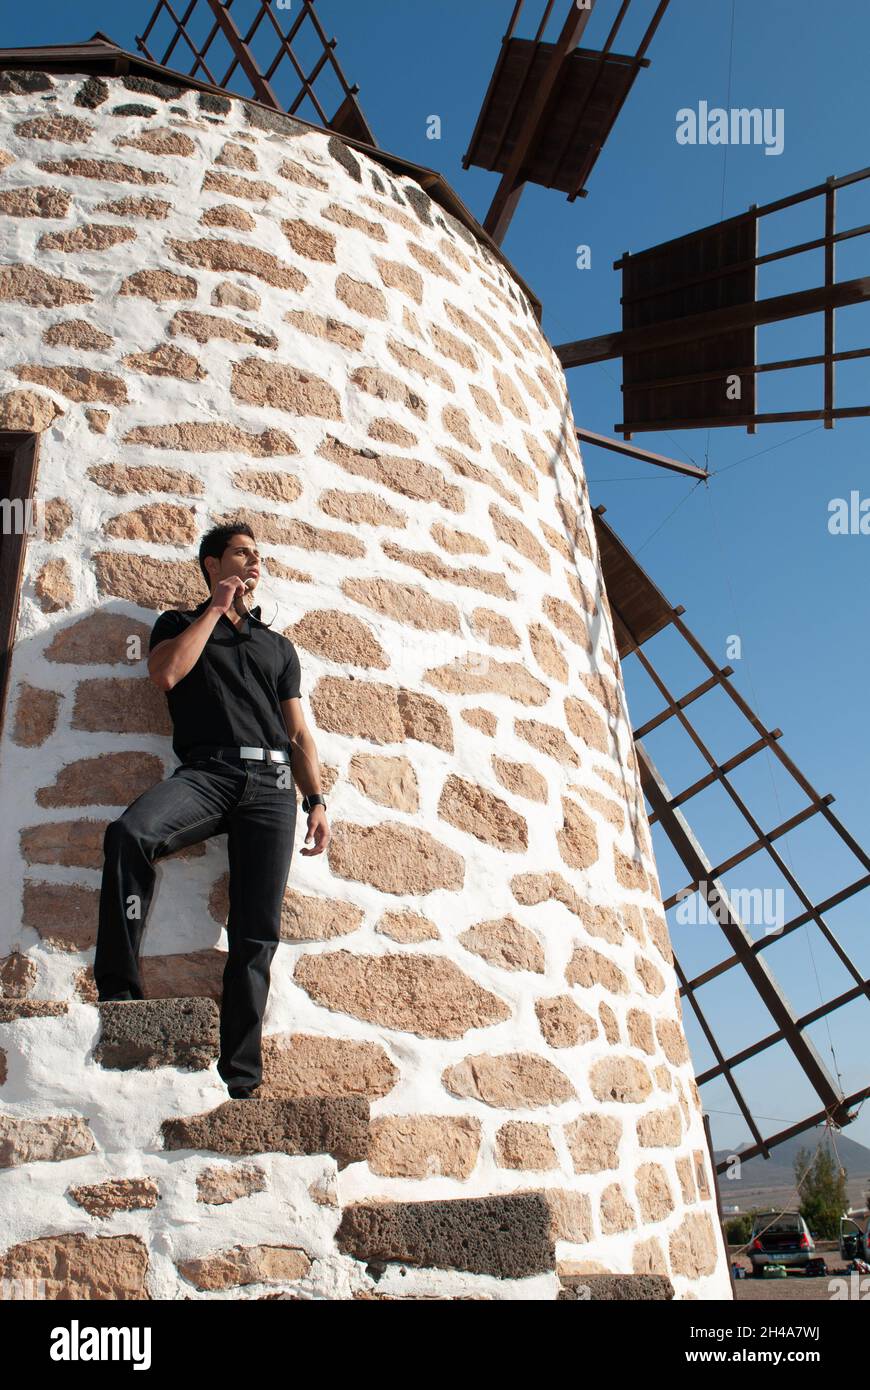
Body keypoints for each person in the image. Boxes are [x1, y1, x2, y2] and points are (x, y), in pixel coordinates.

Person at [93, 522, 331, 1099]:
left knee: (257, 934)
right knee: (130, 834)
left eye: (257, 557)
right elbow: (167, 673)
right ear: (211, 562)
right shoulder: (177, 624)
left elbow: (297, 730)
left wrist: (316, 798)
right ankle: (120, 995)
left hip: (273, 786)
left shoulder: (278, 646)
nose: (254, 563)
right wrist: (216, 609)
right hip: (209, 773)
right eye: (242, 554)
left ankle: (241, 1077)